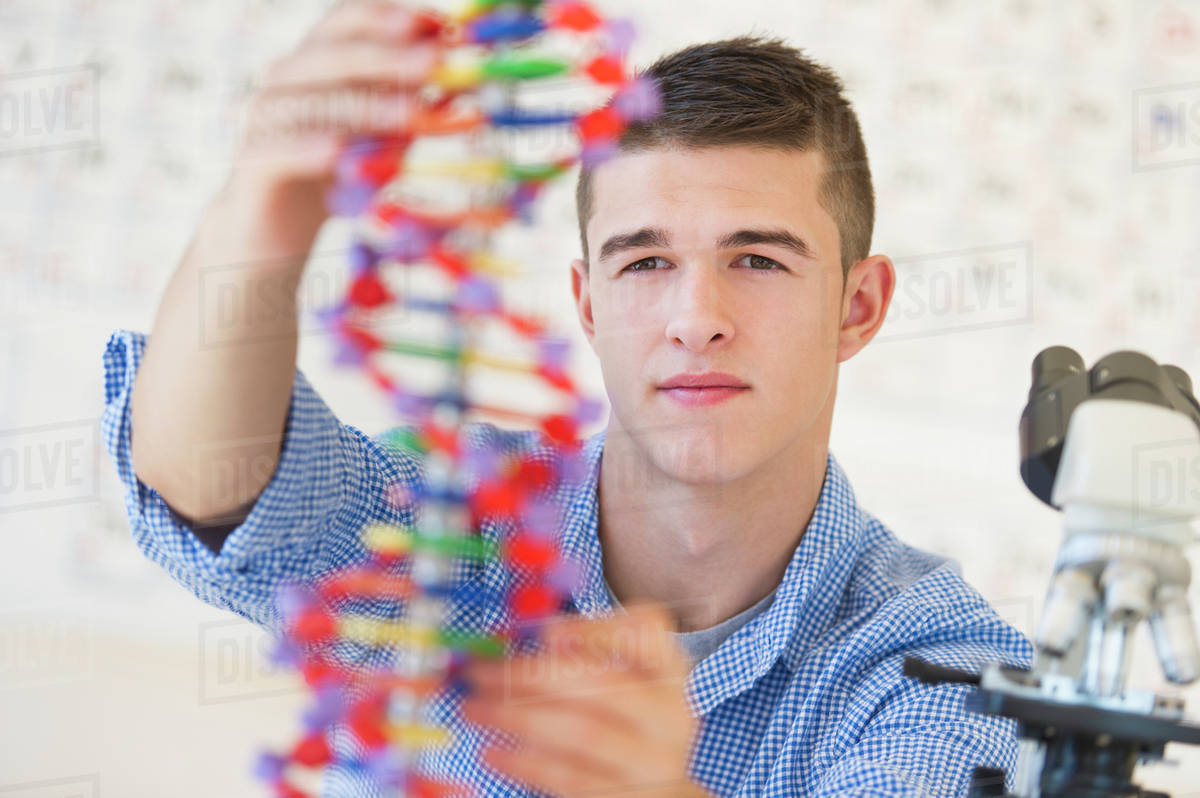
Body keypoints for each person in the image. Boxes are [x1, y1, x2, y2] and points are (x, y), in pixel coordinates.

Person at [101, 2, 1033, 796]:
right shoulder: (454, 523)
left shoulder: (944, 668)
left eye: (757, 259)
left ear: (857, 306)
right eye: (646, 260)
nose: (695, 318)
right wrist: (269, 195)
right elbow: (208, 478)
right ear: (588, 302)